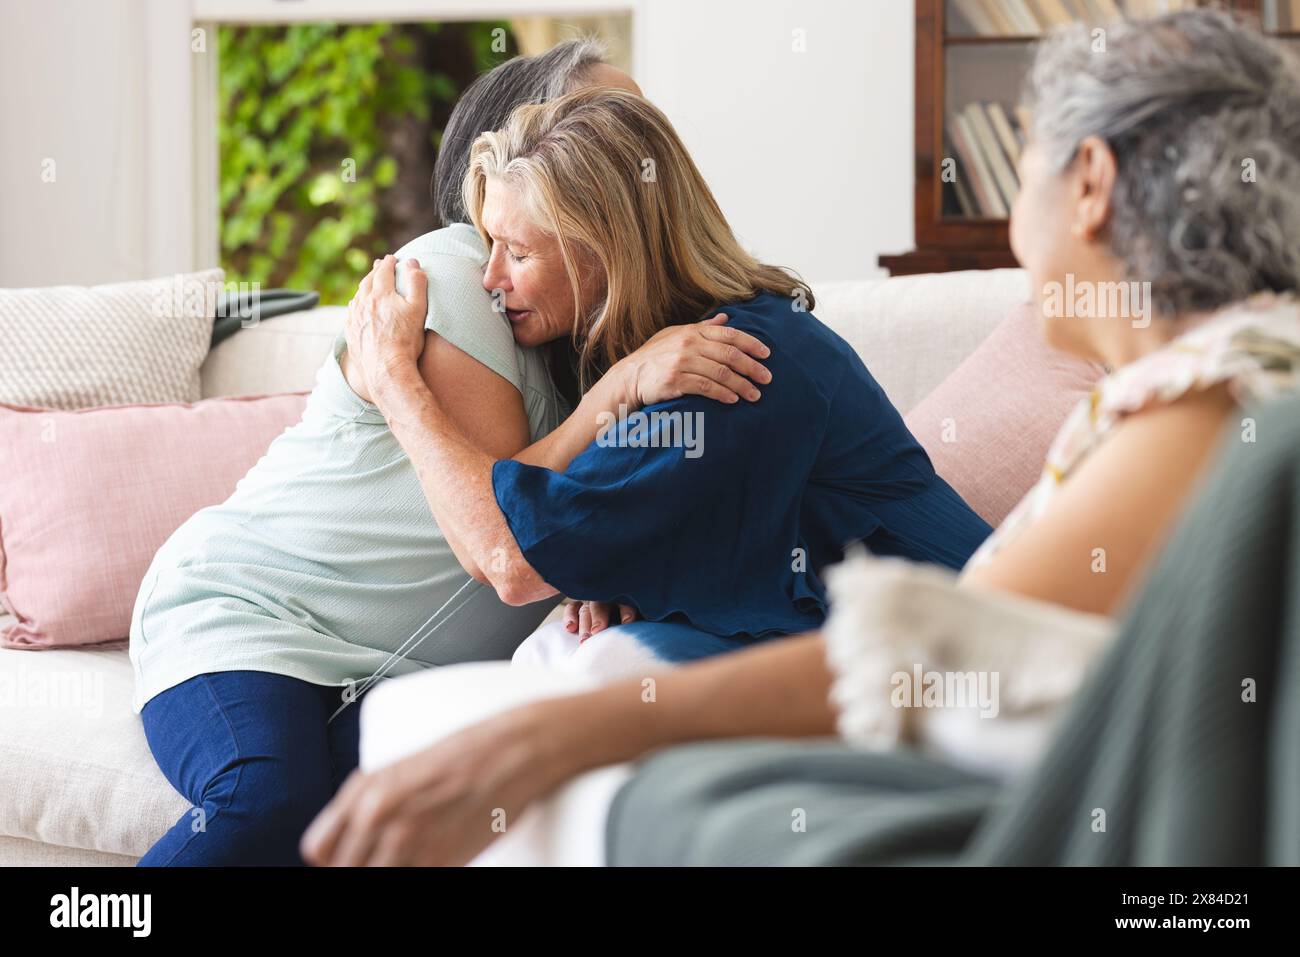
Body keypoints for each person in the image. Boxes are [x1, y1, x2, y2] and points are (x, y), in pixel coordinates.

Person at [301, 9, 1300, 867]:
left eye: (1026, 154)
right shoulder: (1200, 388)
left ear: (1089, 181)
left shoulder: (1215, 398)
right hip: (989, 729)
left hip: (1013, 757)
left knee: (549, 738)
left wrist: (557, 737)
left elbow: (946, 651)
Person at [128, 40, 773, 867]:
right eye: (600, 122)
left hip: (385, 672)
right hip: (247, 616)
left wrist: (612, 575)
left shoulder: (597, 331)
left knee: (387, 818)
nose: (636, 150)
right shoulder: (456, 275)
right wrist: (611, 399)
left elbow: (609, 525)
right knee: (267, 798)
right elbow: (507, 531)